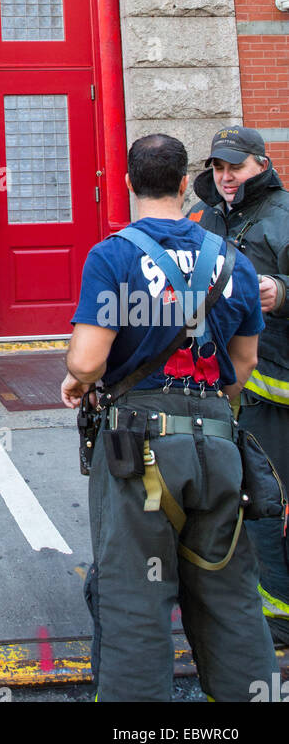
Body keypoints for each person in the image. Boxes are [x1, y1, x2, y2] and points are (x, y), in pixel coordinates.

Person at [61, 133, 278, 702]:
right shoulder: (231, 260)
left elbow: (88, 360)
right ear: (186, 185)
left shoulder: (112, 255)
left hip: (141, 453)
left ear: (129, 183)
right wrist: (212, 403)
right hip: (218, 444)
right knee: (229, 593)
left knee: (134, 594)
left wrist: (77, 378)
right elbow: (245, 363)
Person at [189, 125, 289, 646]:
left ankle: (279, 617)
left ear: (262, 165)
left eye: (237, 167)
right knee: (244, 499)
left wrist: (284, 291)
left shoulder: (282, 219)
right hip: (230, 388)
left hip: (277, 393)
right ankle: (259, 605)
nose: (226, 177)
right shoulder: (210, 215)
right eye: (219, 168)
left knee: (268, 503)